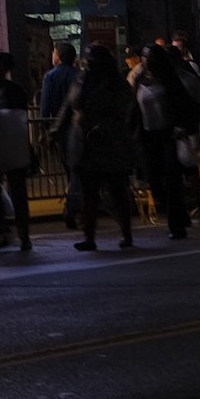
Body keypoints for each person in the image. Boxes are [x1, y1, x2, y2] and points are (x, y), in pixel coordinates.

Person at [69, 44, 138, 250]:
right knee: (89, 193)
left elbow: (124, 110)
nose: (88, 65)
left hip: (109, 143)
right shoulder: (81, 79)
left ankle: (127, 233)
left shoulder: (115, 83)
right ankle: (89, 236)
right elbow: (70, 104)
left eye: (92, 62)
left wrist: (105, 126)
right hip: (85, 141)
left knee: (116, 190)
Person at [139, 45, 200, 240]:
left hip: (168, 135)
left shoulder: (169, 81)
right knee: (155, 181)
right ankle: (180, 212)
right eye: (143, 58)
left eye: (148, 58)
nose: (145, 61)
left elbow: (189, 107)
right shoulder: (140, 80)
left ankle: (176, 224)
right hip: (149, 137)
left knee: (171, 181)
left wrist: (181, 126)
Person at [0, 60, 36, 253]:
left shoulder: (14, 91)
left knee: (18, 192)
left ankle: (24, 236)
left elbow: (19, 120)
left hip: (12, 146)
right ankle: (1, 231)